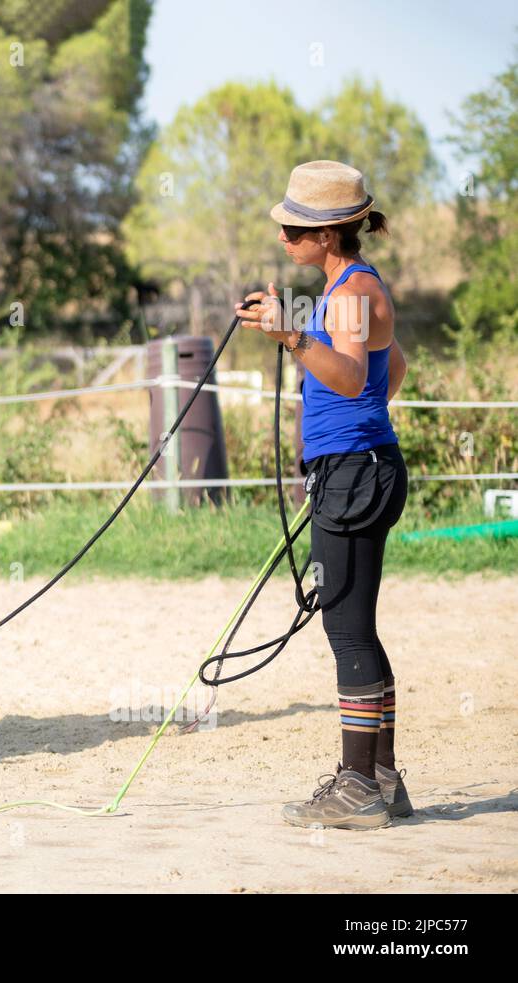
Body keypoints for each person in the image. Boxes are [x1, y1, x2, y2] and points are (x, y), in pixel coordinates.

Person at [235, 160, 411, 830]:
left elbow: (347, 373)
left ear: (326, 234)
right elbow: (389, 369)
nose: (283, 237)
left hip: (356, 475)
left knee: (345, 627)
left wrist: (291, 337)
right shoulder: (355, 286)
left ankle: (360, 786)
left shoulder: (350, 293)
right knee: (356, 624)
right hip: (361, 467)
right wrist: (354, 428)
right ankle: (381, 780)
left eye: (292, 227)